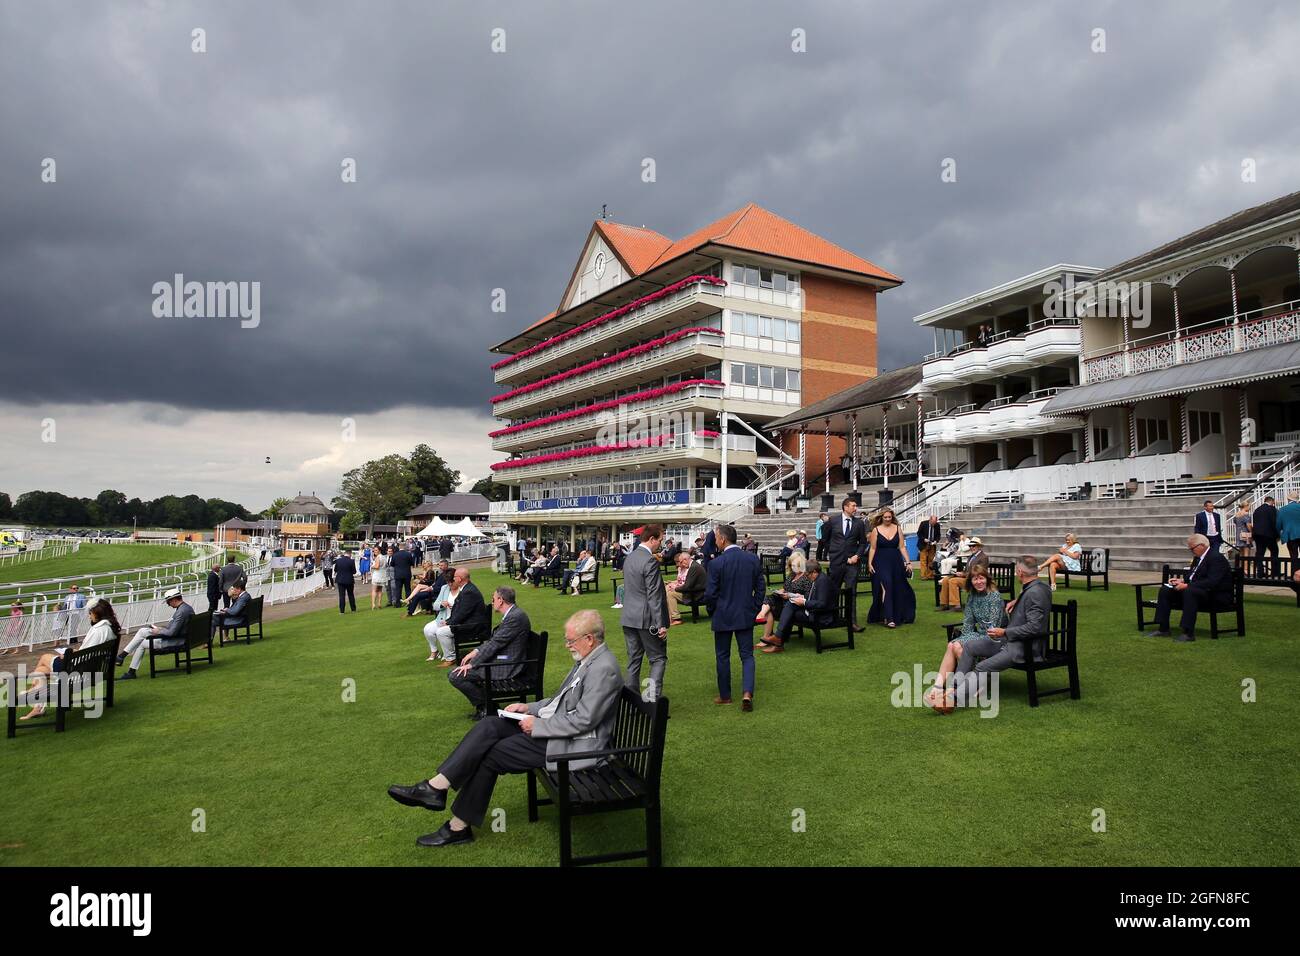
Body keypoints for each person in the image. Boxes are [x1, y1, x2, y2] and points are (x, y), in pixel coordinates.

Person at [387, 609, 623, 848]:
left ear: (589, 639)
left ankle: (457, 826)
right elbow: (559, 701)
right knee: (490, 724)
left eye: (570, 640)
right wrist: (528, 707)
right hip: (561, 734)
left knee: (493, 753)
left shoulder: (603, 668)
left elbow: (584, 720)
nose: (567, 645)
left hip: (575, 746)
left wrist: (538, 725)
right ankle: (436, 787)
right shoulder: (589, 659)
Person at [947, 556, 1050, 707]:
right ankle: (954, 688)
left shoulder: (1035, 592)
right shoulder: (1038, 587)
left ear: (1020, 572)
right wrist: (1017, 600)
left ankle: (954, 699)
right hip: (1010, 641)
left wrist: (1005, 632)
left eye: (1016, 571)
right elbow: (1032, 603)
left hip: (1024, 647)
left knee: (982, 667)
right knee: (969, 647)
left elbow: (1035, 627)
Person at [19, 598, 122, 720]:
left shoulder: (98, 630)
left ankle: (33, 694)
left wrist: (69, 655)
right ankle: (37, 708)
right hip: (92, 669)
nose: (89, 616)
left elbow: (85, 655)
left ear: (97, 613)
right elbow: (89, 652)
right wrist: (74, 653)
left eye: (90, 613)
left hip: (77, 671)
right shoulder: (109, 628)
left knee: (44, 657)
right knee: (40, 671)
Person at [923, 563, 1005, 711]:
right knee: (953, 645)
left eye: (981, 578)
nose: (979, 582)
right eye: (975, 579)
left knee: (959, 646)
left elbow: (994, 627)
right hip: (980, 634)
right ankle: (939, 687)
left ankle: (955, 690)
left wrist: (967, 642)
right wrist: (962, 639)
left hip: (996, 638)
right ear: (970, 582)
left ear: (987, 579)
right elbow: (968, 623)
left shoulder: (994, 596)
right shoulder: (972, 596)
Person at [703, 524, 764, 710]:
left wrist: (712, 610)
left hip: (724, 614)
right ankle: (747, 693)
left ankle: (725, 696)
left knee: (723, 656)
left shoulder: (716, 563)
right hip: (744, 613)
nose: (715, 541)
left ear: (722, 539)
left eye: (716, 537)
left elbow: (710, 594)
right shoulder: (752, 559)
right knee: (747, 656)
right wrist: (754, 608)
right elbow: (761, 588)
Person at [448, 586, 530, 719]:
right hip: (504, 657)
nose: (492, 602)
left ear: (501, 600)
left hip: (507, 664)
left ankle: (487, 706)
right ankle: (487, 705)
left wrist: (473, 664)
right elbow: (495, 642)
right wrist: (475, 652)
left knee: (455, 676)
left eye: (493, 599)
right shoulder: (513, 614)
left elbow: (495, 644)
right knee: (458, 669)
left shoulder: (515, 617)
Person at [1142, 534, 1234, 642]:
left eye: (1192, 548)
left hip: (1215, 595)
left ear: (1202, 545)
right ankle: (1163, 628)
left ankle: (1188, 632)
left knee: (1189, 591)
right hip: (1198, 592)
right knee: (1166, 590)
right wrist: (1181, 581)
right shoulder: (1197, 558)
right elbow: (1192, 576)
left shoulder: (1216, 558)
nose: (1191, 551)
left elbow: (1212, 581)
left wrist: (1187, 585)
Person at [620, 523, 669, 702]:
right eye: (660, 540)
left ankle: (632, 702)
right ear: (652, 539)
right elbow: (654, 595)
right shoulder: (649, 561)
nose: (660, 544)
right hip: (647, 619)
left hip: (628, 616)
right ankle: (651, 701)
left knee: (634, 660)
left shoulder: (630, 558)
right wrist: (660, 624)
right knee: (657, 659)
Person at [116, 588, 196, 680]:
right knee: (141, 637)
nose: (168, 605)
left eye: (168, 602)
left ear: (174, 599)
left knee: (141, 635)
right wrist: (161, 629)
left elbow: (171, 633)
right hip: (183, 638)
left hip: (178, 641)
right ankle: (128, 666)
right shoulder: (186, 608)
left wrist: (159, 631)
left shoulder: (181, 612)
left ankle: (123, 660)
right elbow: (175, 628)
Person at [766, 558, 834, 654]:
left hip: (821, 616)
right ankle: (778, 639)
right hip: (814, 611)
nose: (807, 577)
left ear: (814, 572)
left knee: (790, 611)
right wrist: (801, 597)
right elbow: (813, 596)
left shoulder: (822, 581)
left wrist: (804, 603)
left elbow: (822, 603)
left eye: (807, 574)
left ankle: (778, 640)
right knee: (791, 605)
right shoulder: (818, 578)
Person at [425, 569, 486, 667]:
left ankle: (451, 658)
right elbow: (461, 611)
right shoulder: (467, 588)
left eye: (454, 577)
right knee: (438, 628)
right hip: (469, 622)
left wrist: (449, 623)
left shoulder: (468, 591)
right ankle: (450, 655)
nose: (453, 579)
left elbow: (463, 613)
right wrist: (449, 621)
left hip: (472, 626)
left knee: (441, 632)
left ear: (459, 579)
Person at [866, 508, 915, 627]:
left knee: (897, 588)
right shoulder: (876, 530)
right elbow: (872, 548)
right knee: (887, 586)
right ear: (881, 518)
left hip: (896, 562)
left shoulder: (897, 528)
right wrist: (869, 563)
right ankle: (889, 618)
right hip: (880, 562)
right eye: (885, 517)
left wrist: (908, 562)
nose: (888, 519)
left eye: (889, 517)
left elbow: (902, 547)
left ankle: (889, 615)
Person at [826, 497, 869, 631]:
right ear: (845, 507)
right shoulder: (833, 521)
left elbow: (863, 543)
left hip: (852, 563)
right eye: (853, 506)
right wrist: (832, 552)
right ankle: (831, 618)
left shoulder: (859, 523)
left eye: (856, 506)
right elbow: (825, 539)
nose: (856, 508)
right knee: (834, 590)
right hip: (837, 562)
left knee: (851, 592)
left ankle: (851, 622)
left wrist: (857, 556)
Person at [939, 536, 987, 610]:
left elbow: (979, 572)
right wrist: (961, 573)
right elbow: (967, 570)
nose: (971, 548)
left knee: (953, 581)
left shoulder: (983, 557)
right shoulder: (972, 556)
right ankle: (944, 604)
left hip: (975, 580)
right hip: (967, 578)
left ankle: (955, 605)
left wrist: (963, 574)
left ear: (979, 546)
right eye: (970, 546)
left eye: (973, 546)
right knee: (945, 580)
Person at [664, 550, 706, 625]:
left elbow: (687, 586)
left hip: (695, 595)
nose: (680, 564)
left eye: (680, 562)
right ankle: (670, 616)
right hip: (694, 592)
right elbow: (688, 585)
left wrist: (675, 588)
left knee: (670, 594)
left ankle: (676, 618)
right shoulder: (694, 565)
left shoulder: (694, 567)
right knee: (668, 589)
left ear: (685, 560)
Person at [1252, 495, 1280, 577]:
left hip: (1258, 535)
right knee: (1274, 552)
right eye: (1273, 502)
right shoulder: (1272, 509)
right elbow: (1274, 522)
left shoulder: (1257, 510)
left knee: (1260, 554)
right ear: (1271, 501)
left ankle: (1260, 572)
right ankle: (1275, 572)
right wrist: (1277, 535)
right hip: (1269, 535)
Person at [916, 515, 943, 580]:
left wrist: (936, 541)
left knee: (931, 560)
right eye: (933, 523)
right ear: (930, 520)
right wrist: (924, 539)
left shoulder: (937, 525)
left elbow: (938, 535)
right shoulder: (923, 523)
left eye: (935, 523)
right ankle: (923, 576)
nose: (934, 524)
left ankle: (930, 575)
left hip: (932, 544)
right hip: (923, 544)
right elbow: (919, 533)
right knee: (923, 560)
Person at [390, 541, 414, 606]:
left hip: (398, 574)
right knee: (407, 589)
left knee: (398, 589)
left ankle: (398, 603)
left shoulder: (395, 555)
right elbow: (412, 563)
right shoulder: (408, 554)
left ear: (399, 547)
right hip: (407, 573)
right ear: (405, 547)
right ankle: (408, 602)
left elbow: (392, 564)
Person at [1279, 493, 1300, 564]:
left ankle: (1295, 570)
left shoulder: (1282, 509)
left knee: (1293, 556)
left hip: (1290, 535)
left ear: (1288, 499)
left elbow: (1278, 524)